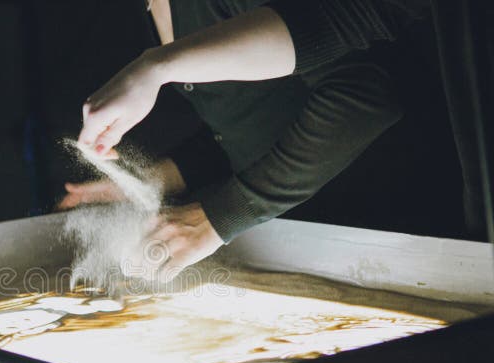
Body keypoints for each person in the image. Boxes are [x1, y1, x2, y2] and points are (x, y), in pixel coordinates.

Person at [60, 0, 492, 283]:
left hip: (385, 240)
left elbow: (365, 95)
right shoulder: (154, 13)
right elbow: (259, 117)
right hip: (299, 249)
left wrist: (216, 218)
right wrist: (154, 180)